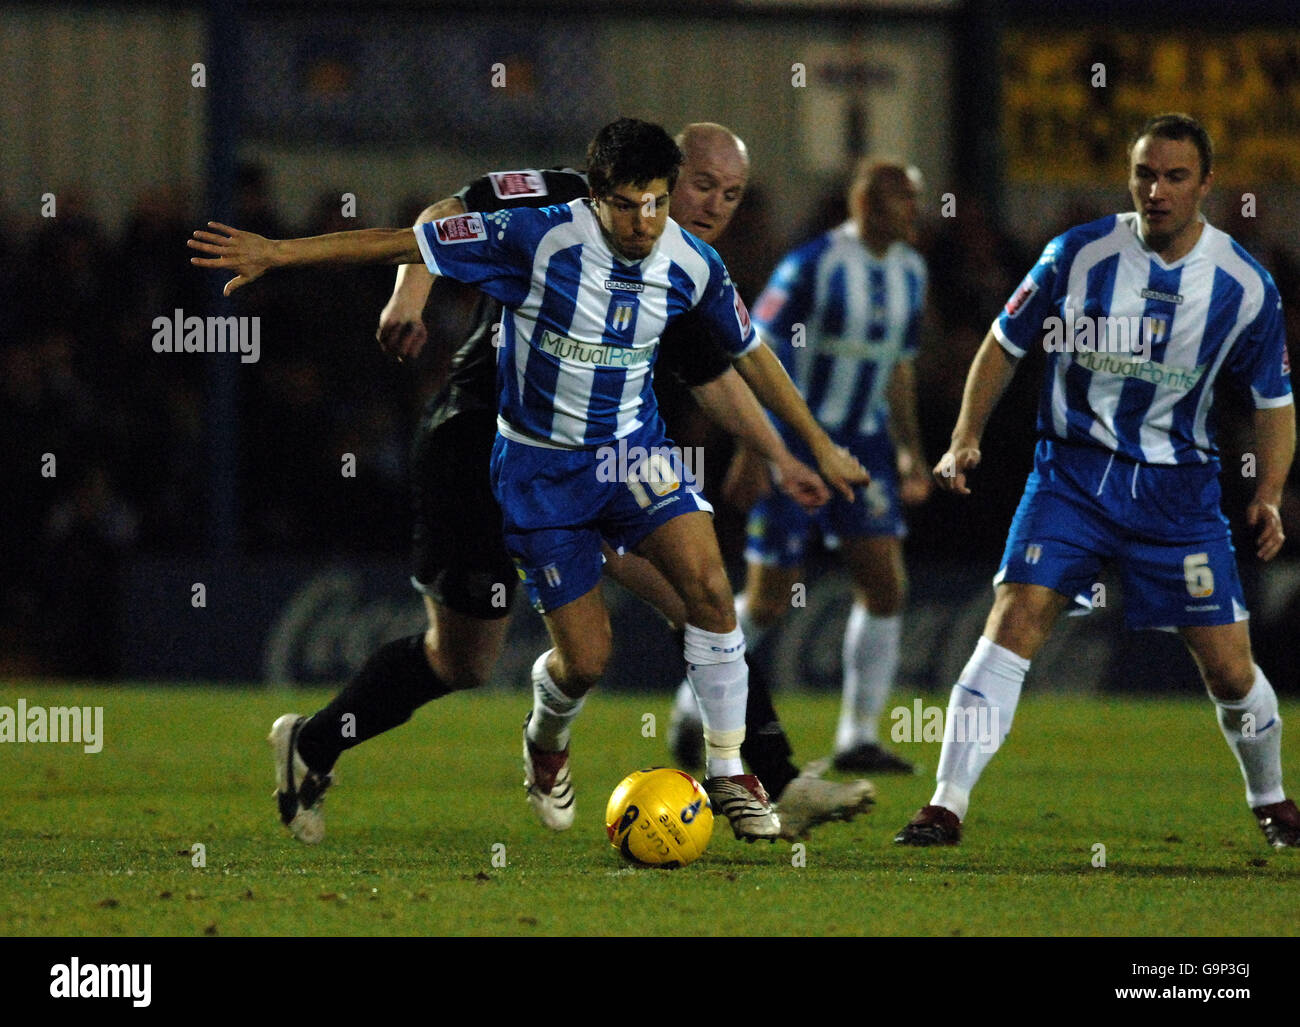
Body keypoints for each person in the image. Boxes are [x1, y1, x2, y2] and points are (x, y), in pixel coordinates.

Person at [190, 118, 870, 844]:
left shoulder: (688, 264)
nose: (710, 205)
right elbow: (429, 225)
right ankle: (317, 742)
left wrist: (795, 451)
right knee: (466, 658)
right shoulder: (546, 218)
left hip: (616, 460)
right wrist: (398, 294)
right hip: (487, 447)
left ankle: (755, 773)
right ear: (613, 185)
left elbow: (725, 366)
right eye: (703, 185)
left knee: (698, 593)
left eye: (728, 195)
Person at [894, 113, 1299, 849]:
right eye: (1145, 173)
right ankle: (944, 804)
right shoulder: (1076, 254)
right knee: (1014, 618)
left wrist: (1269, 489)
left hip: (1178, 493)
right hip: (1072, 476)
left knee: (1231, 670)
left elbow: (1275, 404)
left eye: (1176, 176)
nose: (1158, 190)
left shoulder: (1244, 285)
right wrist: (965, 436)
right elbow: (1002, 343)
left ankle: (1271, 799)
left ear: (1205, 184)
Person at [672, 159, 931, 774]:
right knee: (768, 599)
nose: (916, 213)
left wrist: (910, 449)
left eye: (918, 202)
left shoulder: (913, 273)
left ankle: (857, 737)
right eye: (904, 201)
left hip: (864, 447)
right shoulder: (813, 265)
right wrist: (757, 451)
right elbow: (753, 352)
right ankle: (689, 706)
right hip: (794, 442)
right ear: (867, 204)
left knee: (886, 586)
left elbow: (898, 366)